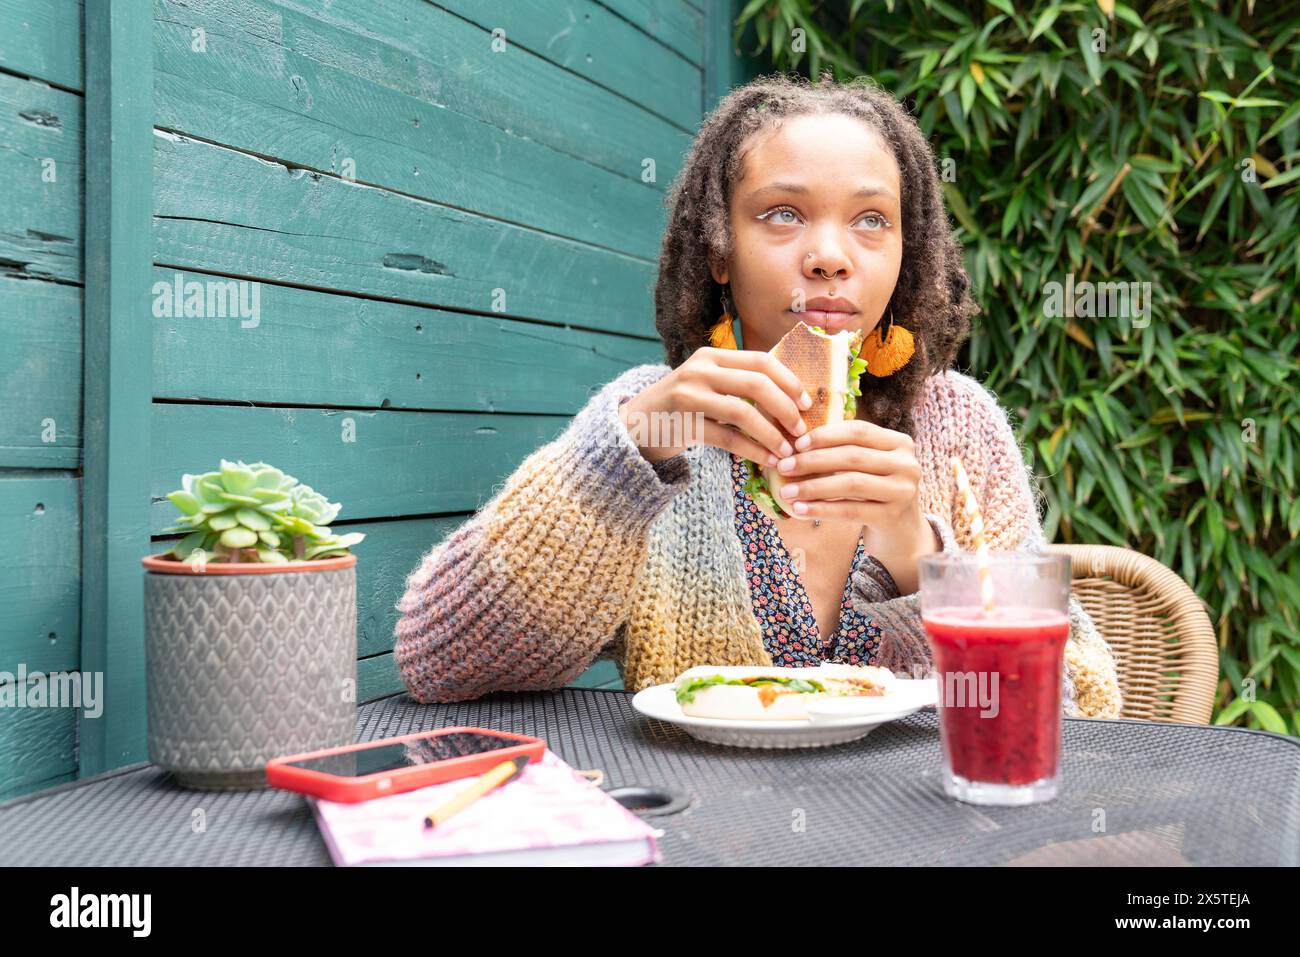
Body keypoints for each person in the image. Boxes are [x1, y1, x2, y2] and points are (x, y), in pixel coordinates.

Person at [393, 73, 1124, 719]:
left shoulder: (957, 428)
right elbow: (442, 661)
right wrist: (618, 457)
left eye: (872, 220)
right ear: (718, 246)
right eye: (783, 213)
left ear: (906, 253)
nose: (831, 256)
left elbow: (1073, 702)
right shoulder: (653, 422)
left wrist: (920, 553)